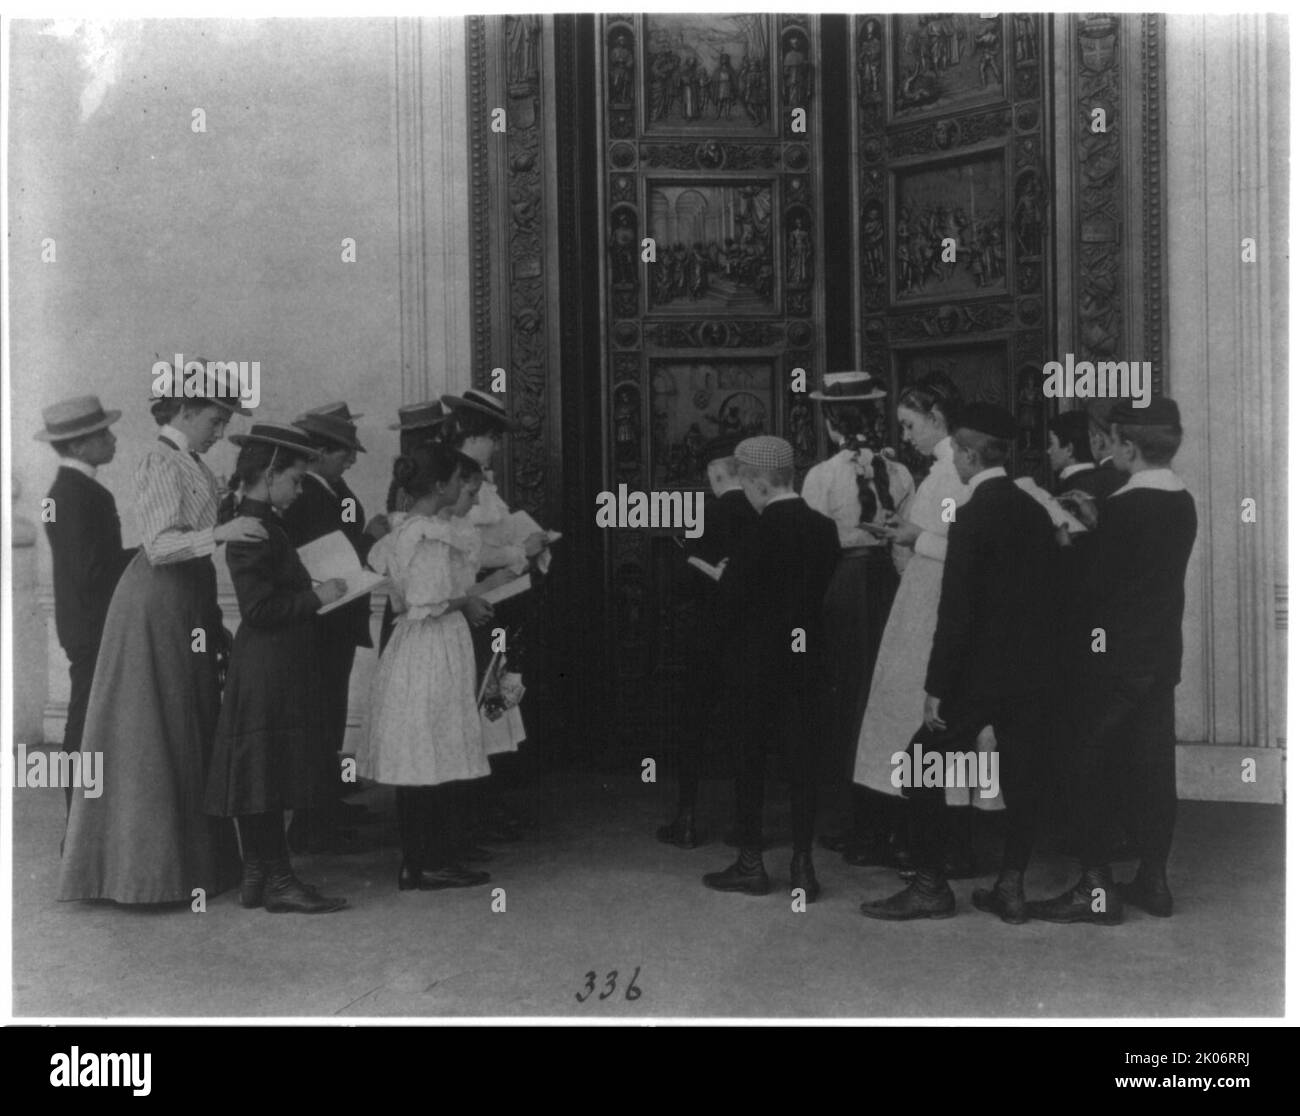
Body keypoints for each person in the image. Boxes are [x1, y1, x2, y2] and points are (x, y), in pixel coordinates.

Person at [59, 368, 263, 904]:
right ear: (185, 412)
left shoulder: (189, 461)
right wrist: (221, 530)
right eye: (215, 420)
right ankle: (147, 876)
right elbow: (159, 546)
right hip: (157, 601)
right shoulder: (158, 459)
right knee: (155, 730)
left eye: (224, 423)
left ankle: (193, 867)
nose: (219, 431)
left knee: (185, 721)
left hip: (183, 599)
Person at [860, 404, 1058, 922]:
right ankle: (1011, 886)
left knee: (920, 764)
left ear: (969, 455)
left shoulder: (972, 515)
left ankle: (929, 886)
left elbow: (956, 611)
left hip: (978, 675)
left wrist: (936, 687)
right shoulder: (1034, 509)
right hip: (1033, 673)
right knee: (1021, 774)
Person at [1028, 398, 1197, 924]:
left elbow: (1090, 589)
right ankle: (1154, 880)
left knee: (1087, 763)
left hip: (1111, 660)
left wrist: (1066, 538)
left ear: (1127, 446)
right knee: (1153, 769)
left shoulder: (1123, 509)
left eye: (1114, 441)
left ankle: (1095, 889)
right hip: (1160, 656)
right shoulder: (1182, 501)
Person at [204, 422, 349, 914]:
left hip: (270, 663)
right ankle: (279, 880)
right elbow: (259, 610)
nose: (299, 488)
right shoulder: (254, 528)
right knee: (266, 770)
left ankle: (259, 874)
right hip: (268, 664)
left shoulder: (260, 522)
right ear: (270, 474)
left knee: (260, 767)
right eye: (295, 479)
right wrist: (317, 596)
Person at [702, 436, 838, 901]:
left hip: (756, 661)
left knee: (750, 757)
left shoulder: (757, 532)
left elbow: (735, 599)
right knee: (803, 760)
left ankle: (750, 864)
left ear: (758, 483)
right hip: (807, 658)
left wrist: (726, 579)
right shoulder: (823, 528)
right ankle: (803, 863)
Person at [359, 444, 496, 890]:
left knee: (418, 750)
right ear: (439, 486)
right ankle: (427, 861)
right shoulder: (429, 536)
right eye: (458, 481)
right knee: (431, 746)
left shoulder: (405, 529)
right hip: (432, 645)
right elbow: (428, 602)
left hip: (412, 646)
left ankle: (420, 859)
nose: (462, 489)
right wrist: (468, 601)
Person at [851, 373, 972, 875]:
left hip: (931, 605)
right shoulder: (940, 471)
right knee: (906, 715)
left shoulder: (950, 473)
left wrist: (911, 538)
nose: (904, 436)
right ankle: (912, 830)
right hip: (920, 599)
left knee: (915, 714)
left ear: (936, 418)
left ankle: (926, 838)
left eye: (909, 424)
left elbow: (960, 548)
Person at [801, 373, 914, 863]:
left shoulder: (822, 476)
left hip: (844, 586)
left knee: (848, 698)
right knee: (885, 698)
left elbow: (811, 545)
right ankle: (890, 821)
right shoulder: (903, 472)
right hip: (890, 582)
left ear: (830, 421)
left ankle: (859, 823)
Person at [441, 389, 552, 842]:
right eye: (492, 437)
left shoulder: (481, 482)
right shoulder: (452, 479)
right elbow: (464, 546)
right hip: (471, 600)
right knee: (475, 701)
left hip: (495, 598)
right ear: (473, 435)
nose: (497, 447)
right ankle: (469, 810)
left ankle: (484, 803)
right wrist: (515, 550)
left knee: (494, 699)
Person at [281, 403, 389, 852]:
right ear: (320, 452)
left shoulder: (326, 488)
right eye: (345, 450)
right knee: (320, 721)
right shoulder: (308, 494)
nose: (352, 459)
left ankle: (325, 806)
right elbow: (330, 559)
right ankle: (311, 825)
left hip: (337, 618)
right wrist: (371, 536)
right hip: (324, 620)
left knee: (331, 716)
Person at [36, 396, 136, 830]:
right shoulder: (79, 493)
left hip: (83, 624)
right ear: (78, 446)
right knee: (85, 728)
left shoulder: (67, 491)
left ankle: (84, 828)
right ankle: (79, 830)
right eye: (103, 434)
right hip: (94, 627)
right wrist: (149, 552)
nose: (113, 439)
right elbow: (94, 570)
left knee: (87, 724)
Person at [656, 432, 759, 848]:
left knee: (694, 724)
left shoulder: (706, 516)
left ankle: (686, 819)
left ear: (717, 475)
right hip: (750, 640)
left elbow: (681, 583)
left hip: (706, 636)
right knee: (747, 729)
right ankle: (745, 825)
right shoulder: (761, 515)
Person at [1046, 410, 1100, 496]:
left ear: (1069, 449)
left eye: (1051, 443)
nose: (1048, 451)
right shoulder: (1104, 481)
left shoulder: (1068, 490)